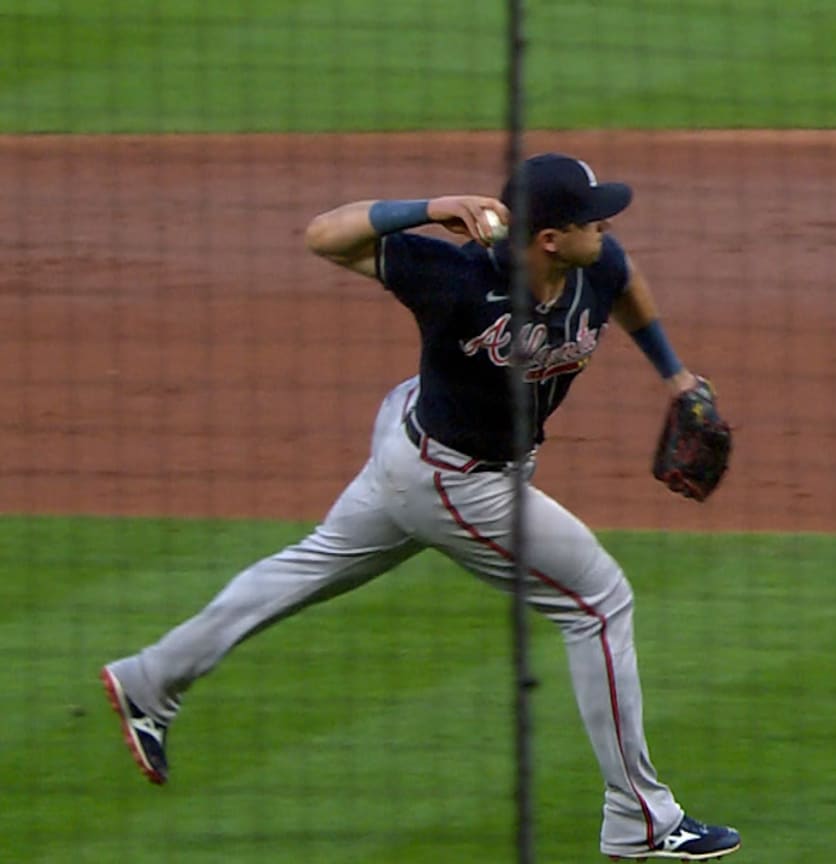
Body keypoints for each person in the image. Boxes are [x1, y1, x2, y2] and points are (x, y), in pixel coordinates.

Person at [100, 153, 741, 861]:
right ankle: (641, 821)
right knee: (598, 602)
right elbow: (324, 235)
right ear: (550, 238)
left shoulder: (596, 263)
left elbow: (628, 288)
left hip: (419, 454)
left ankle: (147, 680)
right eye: (594, 216)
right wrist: (431, 205)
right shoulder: (458, 275)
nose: (609, 223)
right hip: (455, 479)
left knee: (310, 566)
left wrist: (675, 373)